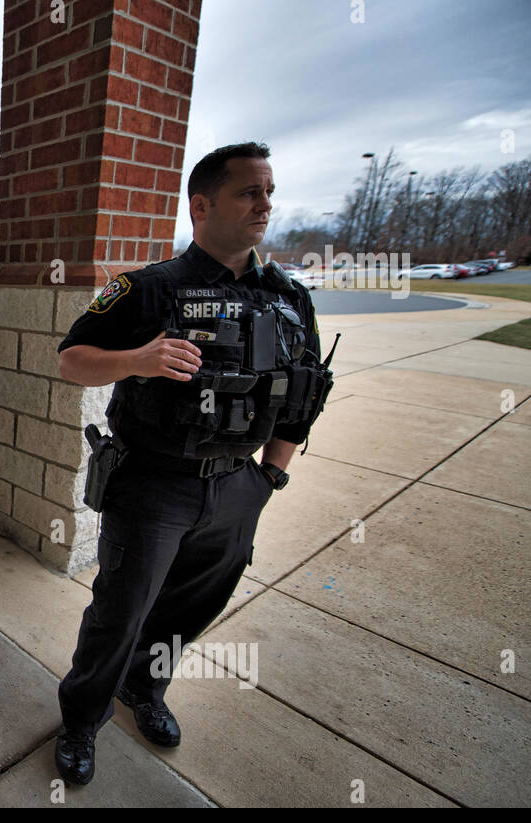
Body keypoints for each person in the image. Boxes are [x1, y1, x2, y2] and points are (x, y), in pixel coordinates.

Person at [53, 142, 334, 785]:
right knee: (120, 611)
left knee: (188, 608)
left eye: (268, 191)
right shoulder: (150, 288)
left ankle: (144, 692)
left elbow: (303, 396)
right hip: (155, 484)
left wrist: (270, 477)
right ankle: (81, 719)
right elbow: (71, 359)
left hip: (240, 484)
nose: (265, 204)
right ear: (201, 205)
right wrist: (137, 360)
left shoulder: (291, 298)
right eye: (248, 192)